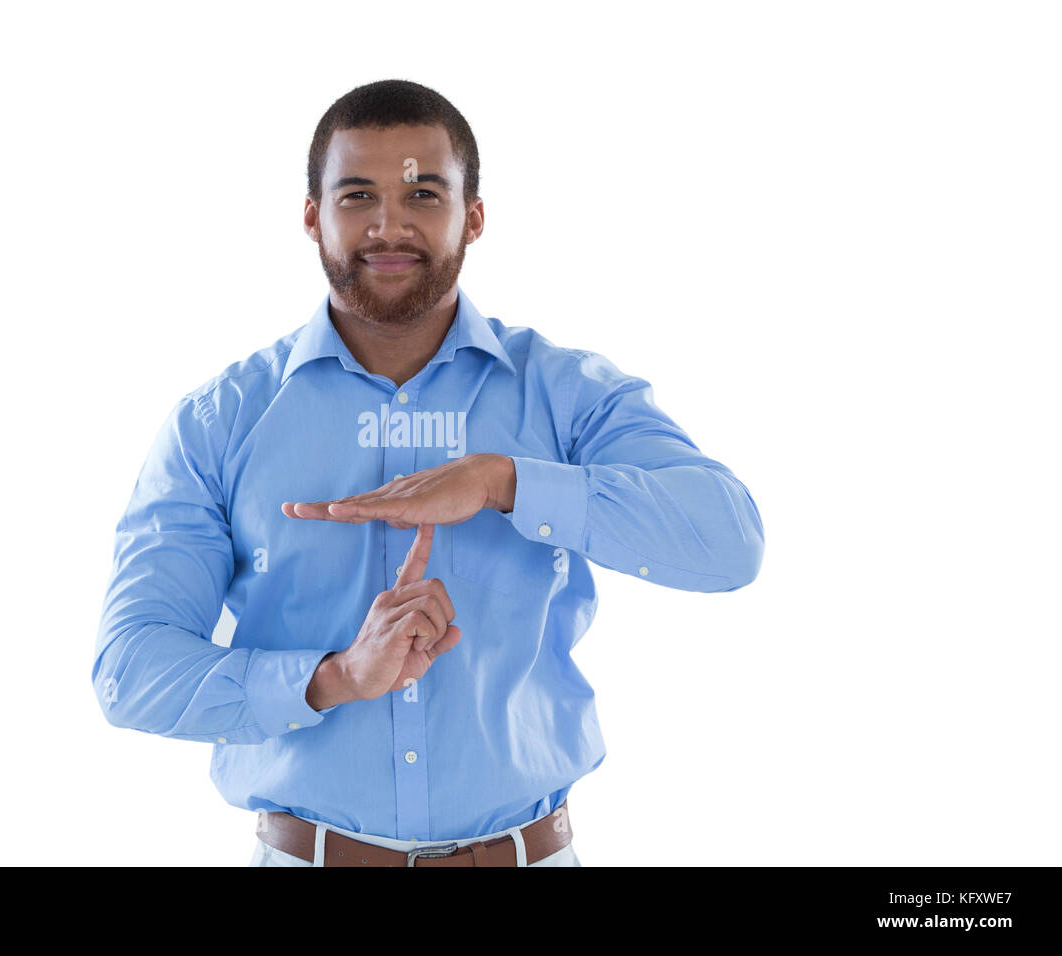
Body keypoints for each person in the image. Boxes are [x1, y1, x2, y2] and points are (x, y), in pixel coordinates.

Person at [91, 79, 764, 867]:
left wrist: (504, 481)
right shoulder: (219, 423)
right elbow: (130, 670)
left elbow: (728, 542)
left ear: (473, 216)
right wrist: (333, 677)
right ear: (312, 215)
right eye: (356, 195)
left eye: (423, 192)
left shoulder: (567, 395)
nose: (388, 225)